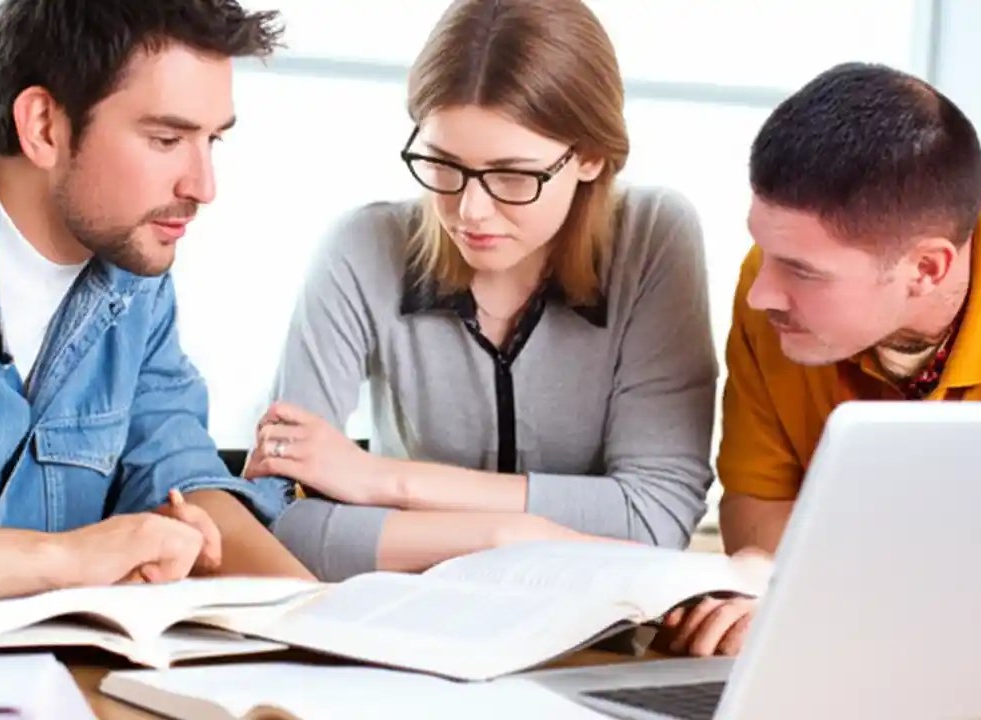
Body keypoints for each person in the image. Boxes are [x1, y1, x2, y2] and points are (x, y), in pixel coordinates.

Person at [0, 0, 314, 612]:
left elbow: (181, 478)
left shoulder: (135, 280)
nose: (203, 186)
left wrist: (318, 615)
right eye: (166, 139)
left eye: (212, 139)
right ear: (44, 128)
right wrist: (61, 561)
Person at [242, 0, 718, 581]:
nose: (470, 210)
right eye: (442, 165)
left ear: (591, 156)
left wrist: (382, 481)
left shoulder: (653, 239)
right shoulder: (360, 248)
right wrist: (508, 535)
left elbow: (653, 522)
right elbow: (280, 520)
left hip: (592, 641)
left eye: (513, 176)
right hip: (398, 631)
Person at [654, 62, 981, 660]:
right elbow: (759, 511)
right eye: (765, 249)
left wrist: (876, 591)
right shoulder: (779, 300)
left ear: (927, 269)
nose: (759, 293)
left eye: (802, 270)